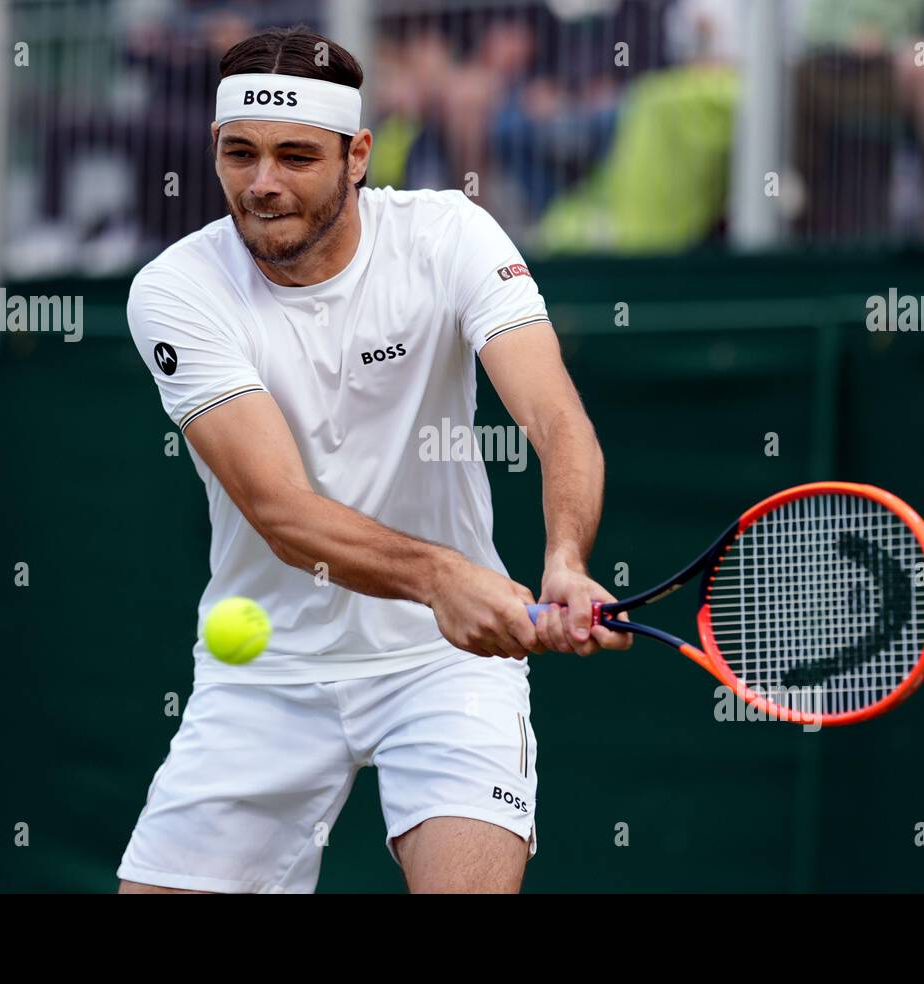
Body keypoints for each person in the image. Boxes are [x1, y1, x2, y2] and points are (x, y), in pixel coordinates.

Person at [116, 24, 630, 895]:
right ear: (213, 148)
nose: (263, 184)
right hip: (264, 674)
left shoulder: (449, 235)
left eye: (296, 156)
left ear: (358, 154)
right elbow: (280, 512)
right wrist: (441, 581)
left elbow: (555, 418)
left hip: (446, 669)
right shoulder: (175, 290)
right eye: (239, 154)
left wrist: (565, 559)